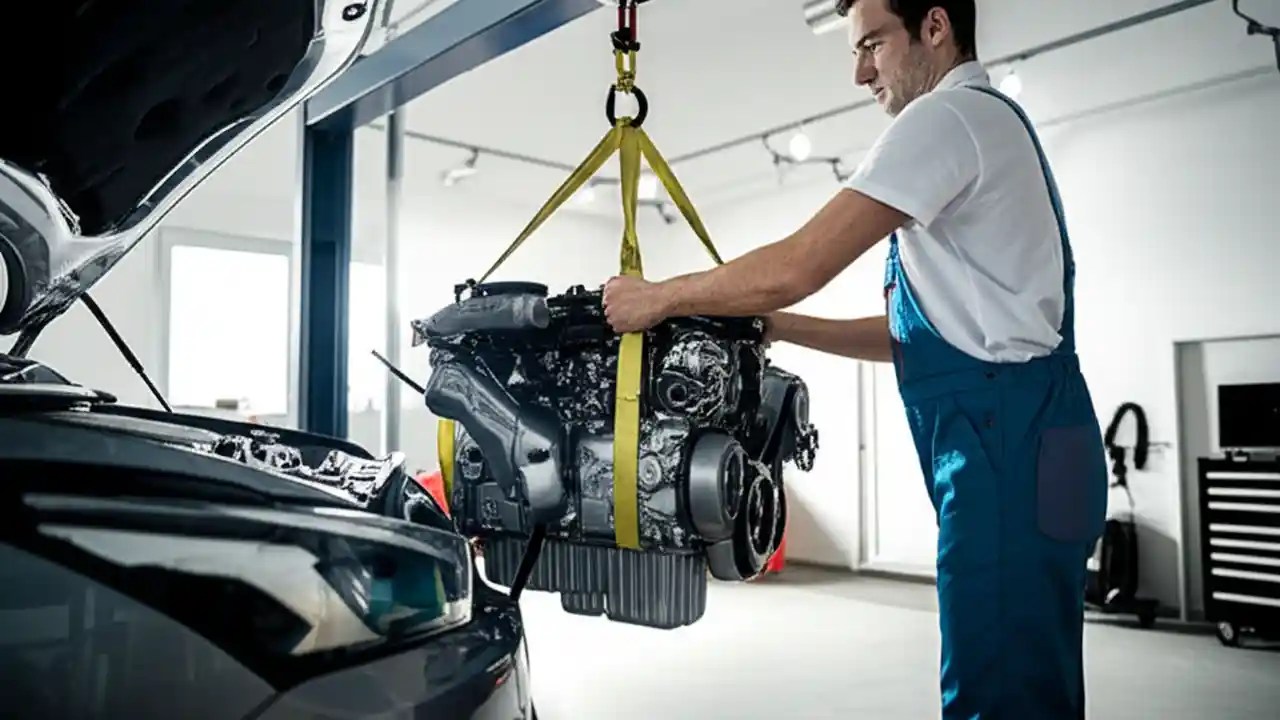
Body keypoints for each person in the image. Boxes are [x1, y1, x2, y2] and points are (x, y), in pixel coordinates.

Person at [601, 0, 1109, 718]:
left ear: (935, 27)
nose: (861, 70)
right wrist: (780, 325)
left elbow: (801, 261)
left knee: (997, 695)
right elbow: (921, 340)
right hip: (1040, 442)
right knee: (1032, 683)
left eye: (873, 44)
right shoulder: (990, 124)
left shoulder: (944, 117)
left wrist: (659, 299)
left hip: (1006, 453)